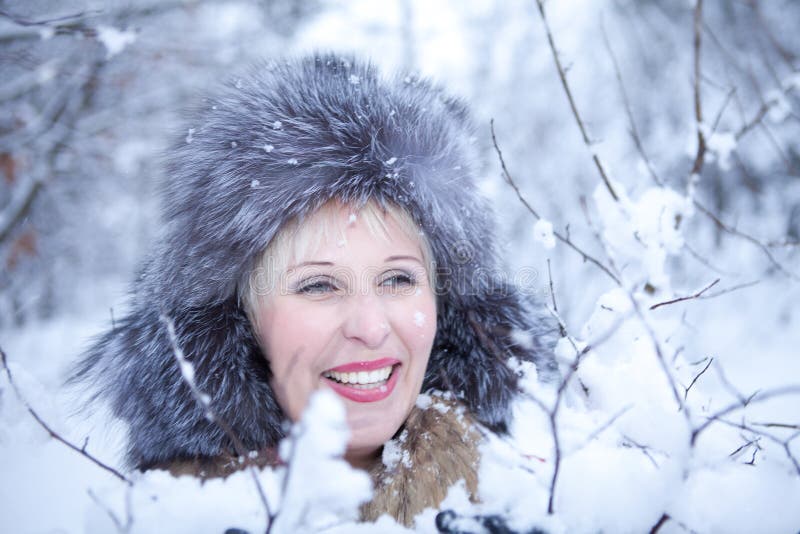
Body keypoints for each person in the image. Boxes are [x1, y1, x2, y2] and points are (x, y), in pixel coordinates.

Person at [72, 53, 556, 527]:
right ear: (237, 325)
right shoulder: (163, 520)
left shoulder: (543, 496)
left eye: (398, 279)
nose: (370, 328)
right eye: (319, 284)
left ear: (444, 309)